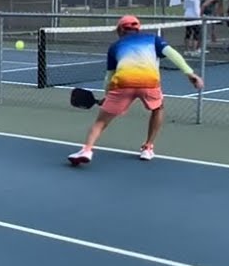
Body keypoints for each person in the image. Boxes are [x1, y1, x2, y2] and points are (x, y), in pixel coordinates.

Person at [67, 15, 204, 166]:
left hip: (123, 83)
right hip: (149, 82)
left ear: (120, 30)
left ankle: (87, 150)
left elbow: (110, 76)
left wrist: (107, 95)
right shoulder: (153, 39)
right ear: (137, 29)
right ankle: (148, 148)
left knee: (100, 122)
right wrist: (189, 73)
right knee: (158, 108)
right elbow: (173, 54)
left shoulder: (115, 47)